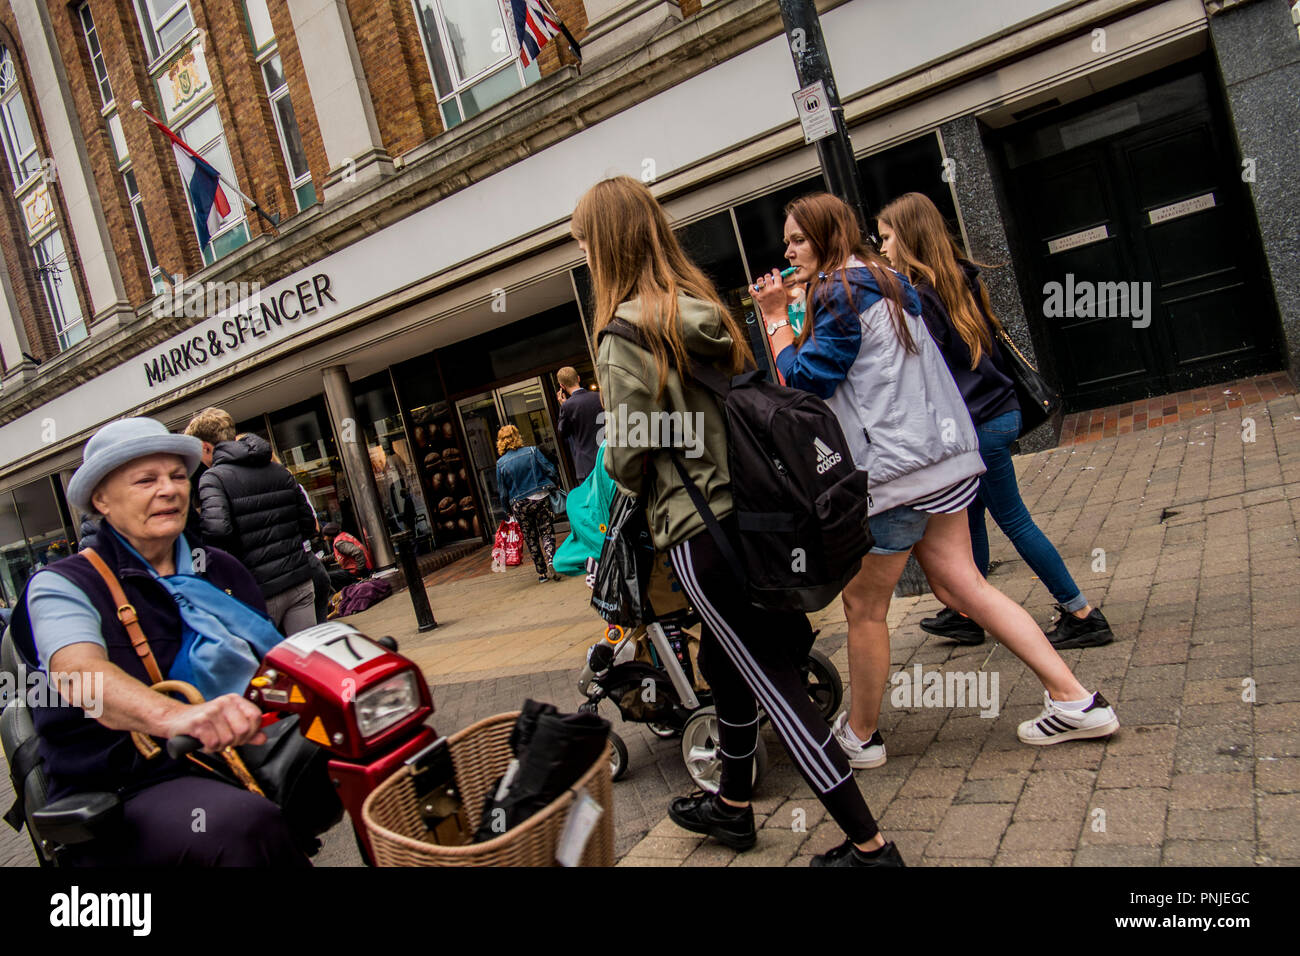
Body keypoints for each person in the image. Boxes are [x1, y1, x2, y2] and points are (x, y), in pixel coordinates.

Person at [574, 175, 902, 867]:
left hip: (698, 527)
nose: (581, 252)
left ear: (604, 244)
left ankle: (869, 847)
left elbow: (630, 456)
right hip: (754, 512)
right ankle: (730, 806)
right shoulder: (699, 307)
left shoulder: (622, 331)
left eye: (583, 240)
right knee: (726, 658)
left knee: (771, 678)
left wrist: (627, 455)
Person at [753, 192, 1119, 766]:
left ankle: (862, 737)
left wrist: (775, 320)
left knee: (864, 609)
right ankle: (1074, 698)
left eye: (798, 238)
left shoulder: (839, 292)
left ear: (825, 237)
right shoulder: (884, 279)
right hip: (940, 459)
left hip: (895, 474)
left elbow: (803, 385)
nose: (787, 248)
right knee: (962, 585)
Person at [6, 417, 309, 866]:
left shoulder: (221, 568)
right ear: (101, 500)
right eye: (146, 480)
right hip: (131, 783)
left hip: (240, 748)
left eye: (177, 476)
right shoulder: (61, 584)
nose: (168, 490)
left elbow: (266, 662)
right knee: (242, 826)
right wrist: (181, 717)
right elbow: (79, 677)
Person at [876, 193, 1114, 649]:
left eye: (887, 238)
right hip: (998, 411)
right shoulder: (961, 279)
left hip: (979, 425)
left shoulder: (922, 300)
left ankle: (1081, 612)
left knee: (1015, 520)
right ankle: (966, 612)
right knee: (972, 517)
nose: (883, 248)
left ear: (908, 237)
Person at [184, 409, 317, 637]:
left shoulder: (213, 478)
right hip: (300, 581)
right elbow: (308, 524)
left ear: (206, 446)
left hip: (258, 589)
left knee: (262, 665)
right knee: (308, 659)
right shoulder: (278, 470)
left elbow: (217, 531)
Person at [495, 425, 562, 583]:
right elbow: (549, 469)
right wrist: (556, 482)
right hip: (540, 496)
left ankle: (542, 573)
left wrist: (507, 510)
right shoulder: (532, 451)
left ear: (501, 442)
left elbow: (503, 492)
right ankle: (551, 559)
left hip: (519, 504)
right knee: (546, 530)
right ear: (517, 436)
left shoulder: (501, 464)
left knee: (531, 537)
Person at [556, 366, 603, 482]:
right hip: (607, 457)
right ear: (578, 378)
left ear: (562, 386)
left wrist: (563, 406)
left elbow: (562, 432)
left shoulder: (567, 406)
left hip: (586, 465)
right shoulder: (599, 397)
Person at [322, 522, 372, 591]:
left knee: (327, 576)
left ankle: (345, 593)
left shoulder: (339, 543)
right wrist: (320, 560)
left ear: (330, 535)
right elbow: (334, 555)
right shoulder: (342, 536)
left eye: (325, 536)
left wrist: (360, 571)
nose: (324, 538)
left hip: (359, 571)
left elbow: (358, 552)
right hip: (360, 568)